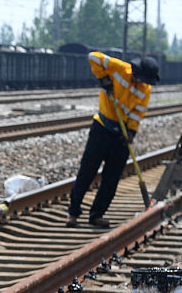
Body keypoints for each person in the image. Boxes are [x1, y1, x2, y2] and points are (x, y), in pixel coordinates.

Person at [67, 52, 159, 229]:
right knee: (87, 170)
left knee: (112, 177)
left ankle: (97, 215)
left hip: (121, 135)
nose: (142, 83)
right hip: (102, 127)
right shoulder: (119, 68)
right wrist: (103, 78)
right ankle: (73, 213)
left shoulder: (145, 89)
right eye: (141, 79)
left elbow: (138, 112)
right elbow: (93, 57)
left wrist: (131, 132)